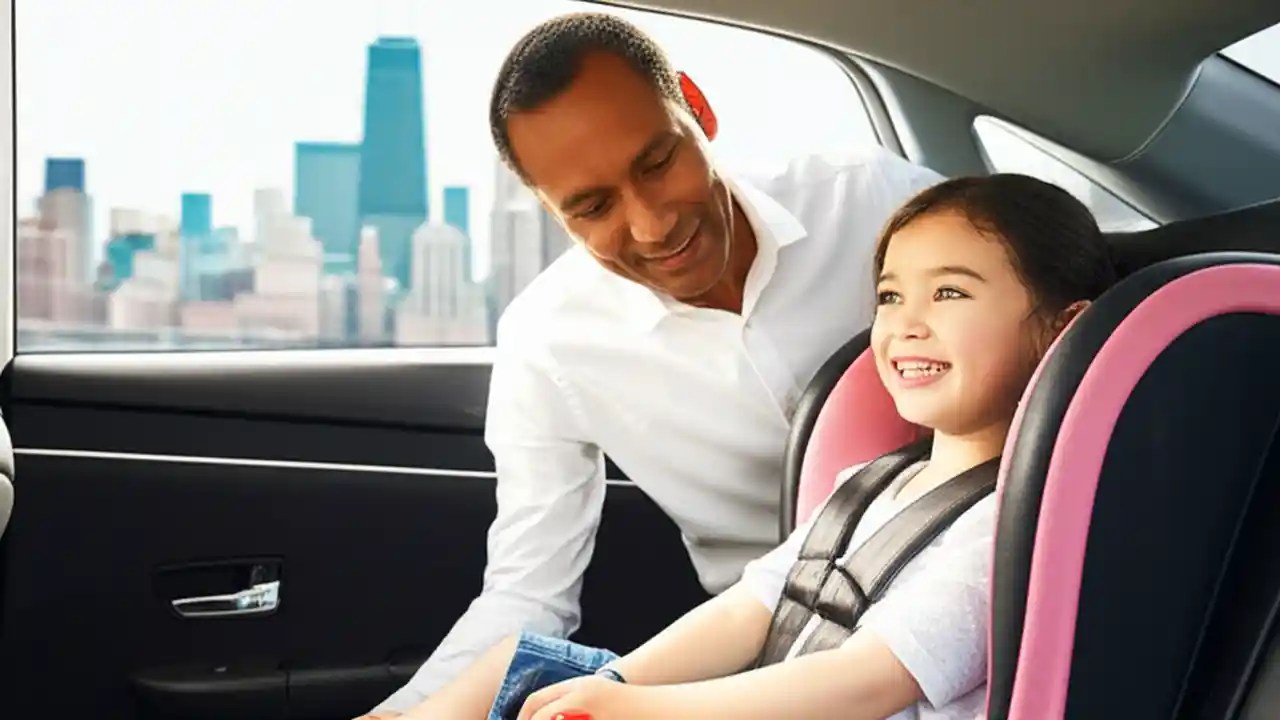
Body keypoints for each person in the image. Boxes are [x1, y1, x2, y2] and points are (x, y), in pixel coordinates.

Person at [363, 12, 945, 717]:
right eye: (592, 207)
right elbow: (527, 593)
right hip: (759, 649)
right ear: (551, 212)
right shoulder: (548, 341)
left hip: (970, 583)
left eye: (657, 163)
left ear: (696, 109)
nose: (651, 224)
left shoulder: (875, 197)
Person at [376, 173, 1119, 720]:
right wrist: (620, 686)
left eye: (950, 294)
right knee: (517, 668)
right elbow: (749, 611)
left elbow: (868, 681)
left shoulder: (1013, 525)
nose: (906, 324)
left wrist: (647, 715)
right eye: (891, 296)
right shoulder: (870, 482)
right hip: (745, 698)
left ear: (1063, 330)